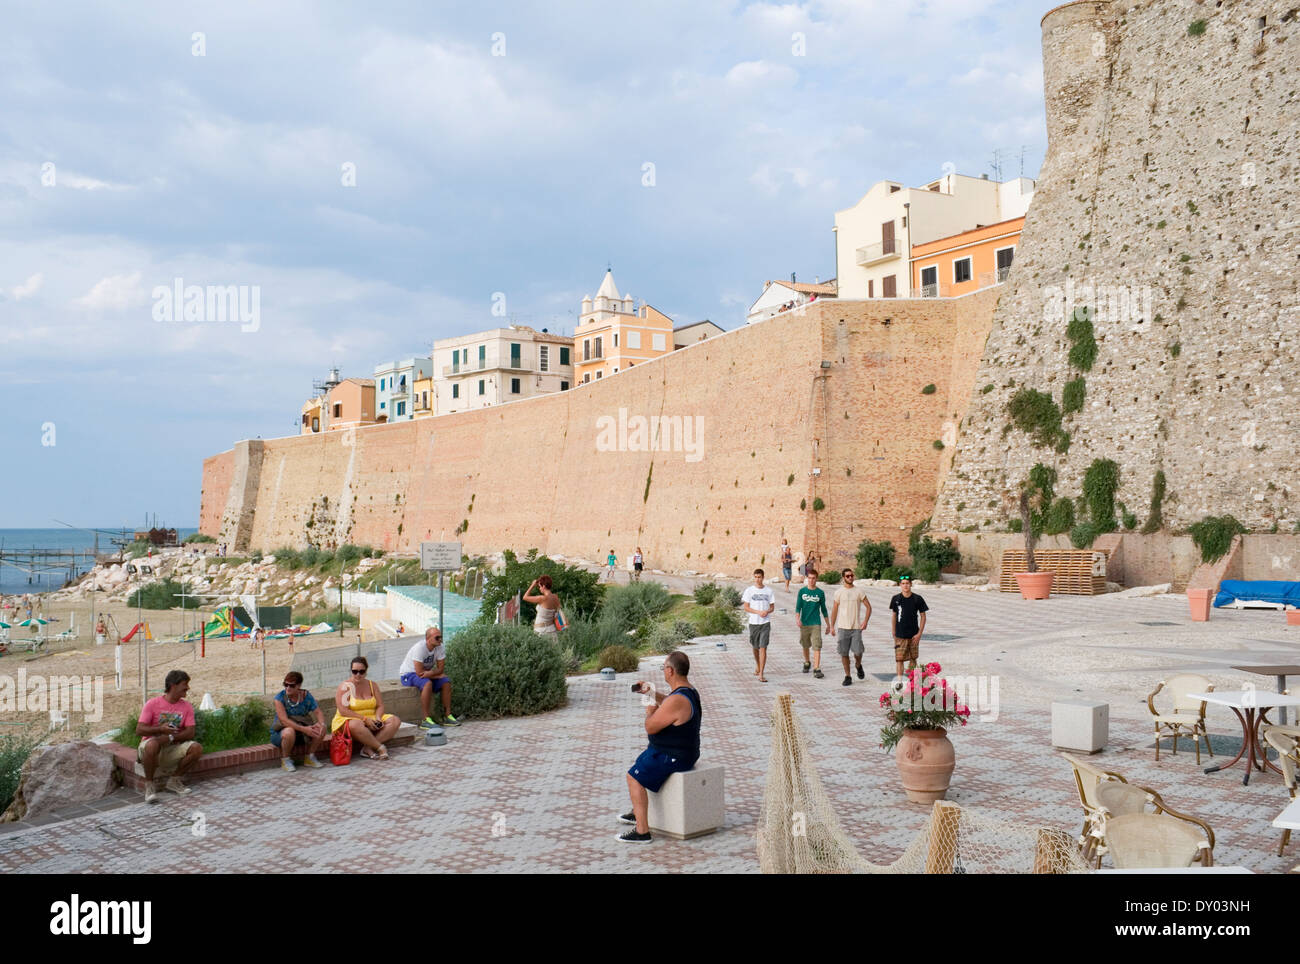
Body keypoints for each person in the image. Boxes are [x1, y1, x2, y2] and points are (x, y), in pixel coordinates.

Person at [618, 651, 701, 844]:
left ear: (670, 671)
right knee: (641, 760)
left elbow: (650, 727)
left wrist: (650, 712)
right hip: (679, 750)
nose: (663, 671)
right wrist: (651, 694)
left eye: (663, 668)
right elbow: (670, 704)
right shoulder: (688, 691)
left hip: (675, 756)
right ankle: (637, 811)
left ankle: (642, 831)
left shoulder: (677, 700)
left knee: (633, 777)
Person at [137, 669, 203, 804]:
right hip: (151, 747)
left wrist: (169, 738)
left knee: (196, 748)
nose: (188, 688)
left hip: (171, 747)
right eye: (185, 684)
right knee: (153, 744)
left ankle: (174, 781)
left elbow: (190, 732)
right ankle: (149, 785)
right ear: (173, 686)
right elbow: (139, 730)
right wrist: (160, 729)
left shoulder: (187, 707)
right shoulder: (152, 704)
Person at [331, 657, 401, 760]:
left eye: (361, 671)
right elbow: (343, 711)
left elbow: (380, 705)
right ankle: (380, 747)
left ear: (366, 671)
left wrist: (378, 718)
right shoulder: (345, 687)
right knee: (356, 724)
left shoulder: (373, 685)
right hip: (349, 718)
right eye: (355, 671)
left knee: (395, 720)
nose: (358, 675)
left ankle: (367, 747)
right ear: (351, 671)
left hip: (370, 716)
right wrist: (364, 719)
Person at [400, 627, 461, 728]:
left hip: (426, 673)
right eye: (437, 638)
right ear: (428, 639)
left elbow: (441, 669)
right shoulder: (419, 648)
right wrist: (434, 674)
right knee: (427, 684)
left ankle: (448, 716)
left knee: (446, 681)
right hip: (409, 674)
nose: (440, 640)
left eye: (441, 637)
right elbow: (419, 673)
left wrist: (432, 673)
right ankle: (425, 720)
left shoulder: (440, 647)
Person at [272, 671, 328, 771]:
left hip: (301, 732)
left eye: (292, 685)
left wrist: (322, 724)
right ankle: (285, 760)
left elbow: (318, 712)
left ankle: (309, 757)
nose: (288, 688)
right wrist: (304, 729)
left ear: (299, 685)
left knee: (321, 728)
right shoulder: (279, 698)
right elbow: (284, 721)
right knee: (289, 731)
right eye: (285, 684)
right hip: (282, 733)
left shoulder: (306, 696)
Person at [830, 567, 872, 686]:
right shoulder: (838, 592)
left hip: (856, 628)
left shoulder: (859, 591)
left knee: (858, 651)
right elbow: (834, 610)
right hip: (843, 628)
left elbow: (869, 607)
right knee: (844, 653)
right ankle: (848, 676)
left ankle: (858, 665)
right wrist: (832, 626)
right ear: (843, 578)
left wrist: (865, 622)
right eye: (848, 576)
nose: (850, 578)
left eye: (852, 575)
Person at [889, 576, 929, 679]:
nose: (905, 585)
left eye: (907, 583)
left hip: (913, 635)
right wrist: (893, 631)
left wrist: (919, 633)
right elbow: (894, 615)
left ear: (910, 584)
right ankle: (899, 682)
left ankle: (913, 682)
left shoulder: (917, 598)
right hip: (900, 634)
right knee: (899, 659)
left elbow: (923, 616)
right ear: (900, 585)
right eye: (903, 583)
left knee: (913, 658)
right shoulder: (896, 599)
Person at [740, 568, 775, 682]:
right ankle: (758, 665)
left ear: (763, 577)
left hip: (765, 623)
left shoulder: (769, 591)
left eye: (759, 577)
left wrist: (767, 611)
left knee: (763, 647)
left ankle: (761, 674)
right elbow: (746, 607)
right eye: (755, 577)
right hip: (754, 622)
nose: (757, 579)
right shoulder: (749, 590)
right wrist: (758, 612)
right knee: (755, 647)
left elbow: (772, 607)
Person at [795, 567, 831, 678]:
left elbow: (824, 609)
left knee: (817, 645)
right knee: (805, 644)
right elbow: (798, 608)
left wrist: (828, 625)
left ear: (816, 579)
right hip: (804, 622)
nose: (811, 580)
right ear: (807, 578)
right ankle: (807, 662)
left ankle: (817, 668)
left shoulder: (820, 593)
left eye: (813, 578)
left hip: (816, 623)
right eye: (809, 578)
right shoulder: (802, 591)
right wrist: (797, 619)